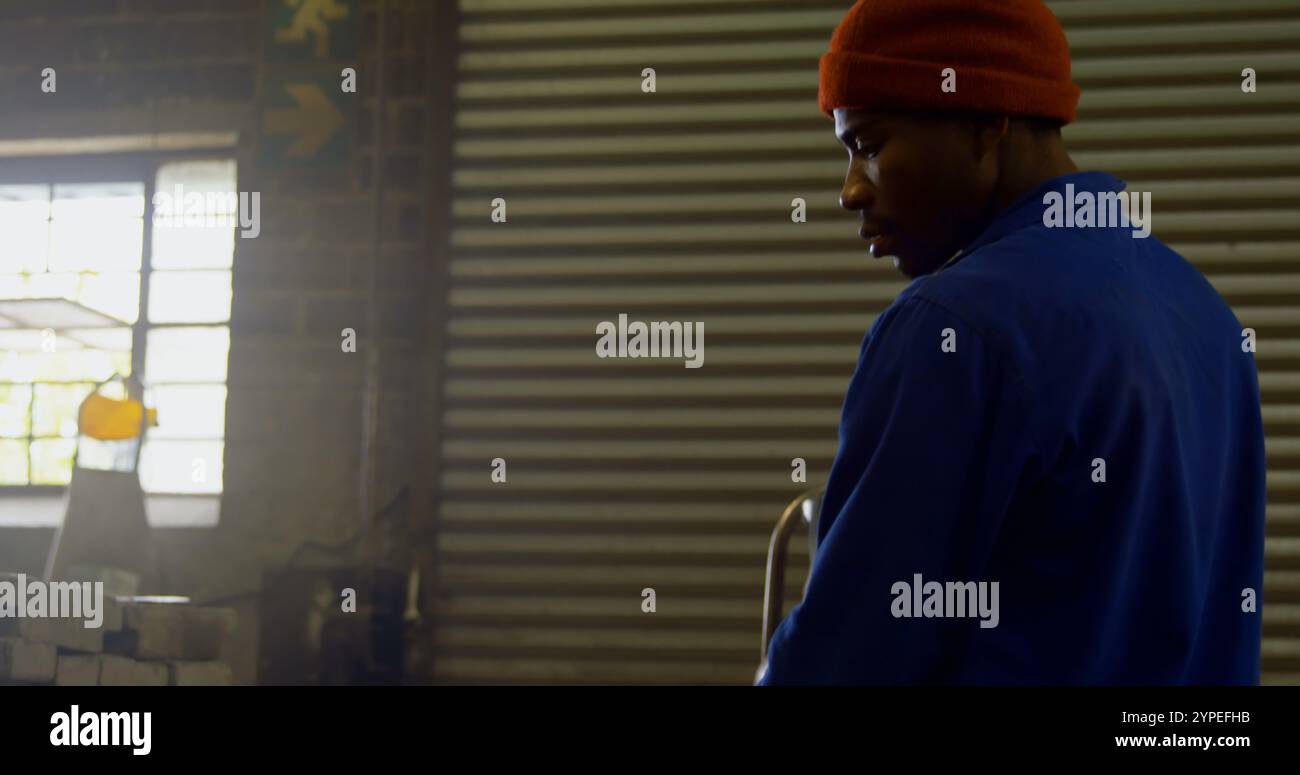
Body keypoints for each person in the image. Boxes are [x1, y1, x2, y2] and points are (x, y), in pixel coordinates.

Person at [758, 0, 1266, 684]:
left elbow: (847, 656)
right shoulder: (1206, 317)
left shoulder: (953, 329)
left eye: (871, 147)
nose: (851, 190)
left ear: (985, 120)